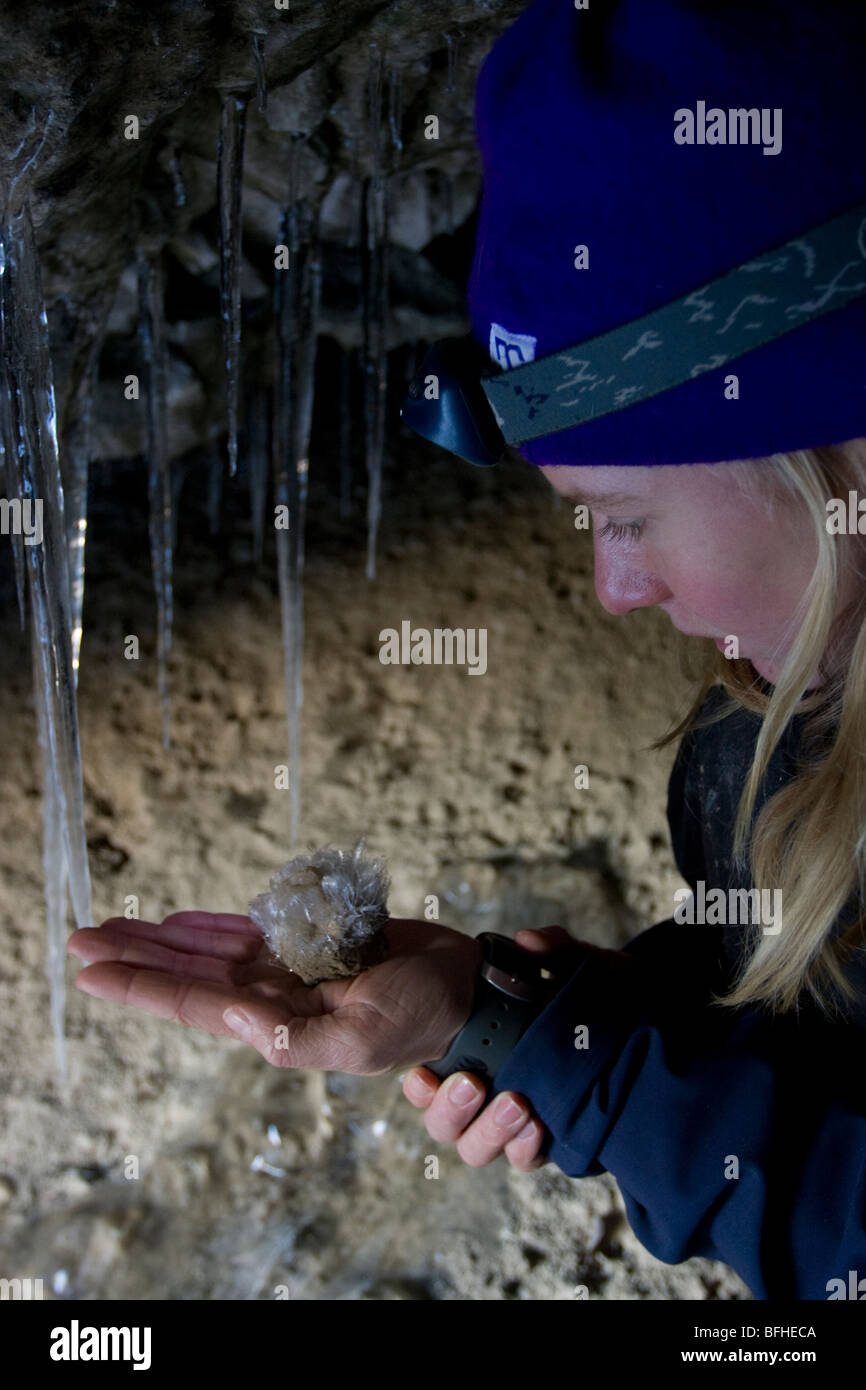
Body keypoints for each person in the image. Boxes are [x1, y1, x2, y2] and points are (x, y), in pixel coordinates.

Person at [67, 0, 866, 1299]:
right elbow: (833, 998)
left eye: (620, 516)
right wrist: (531, 1013)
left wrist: (596, 1078)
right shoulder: (772, 736)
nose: (610, 589)